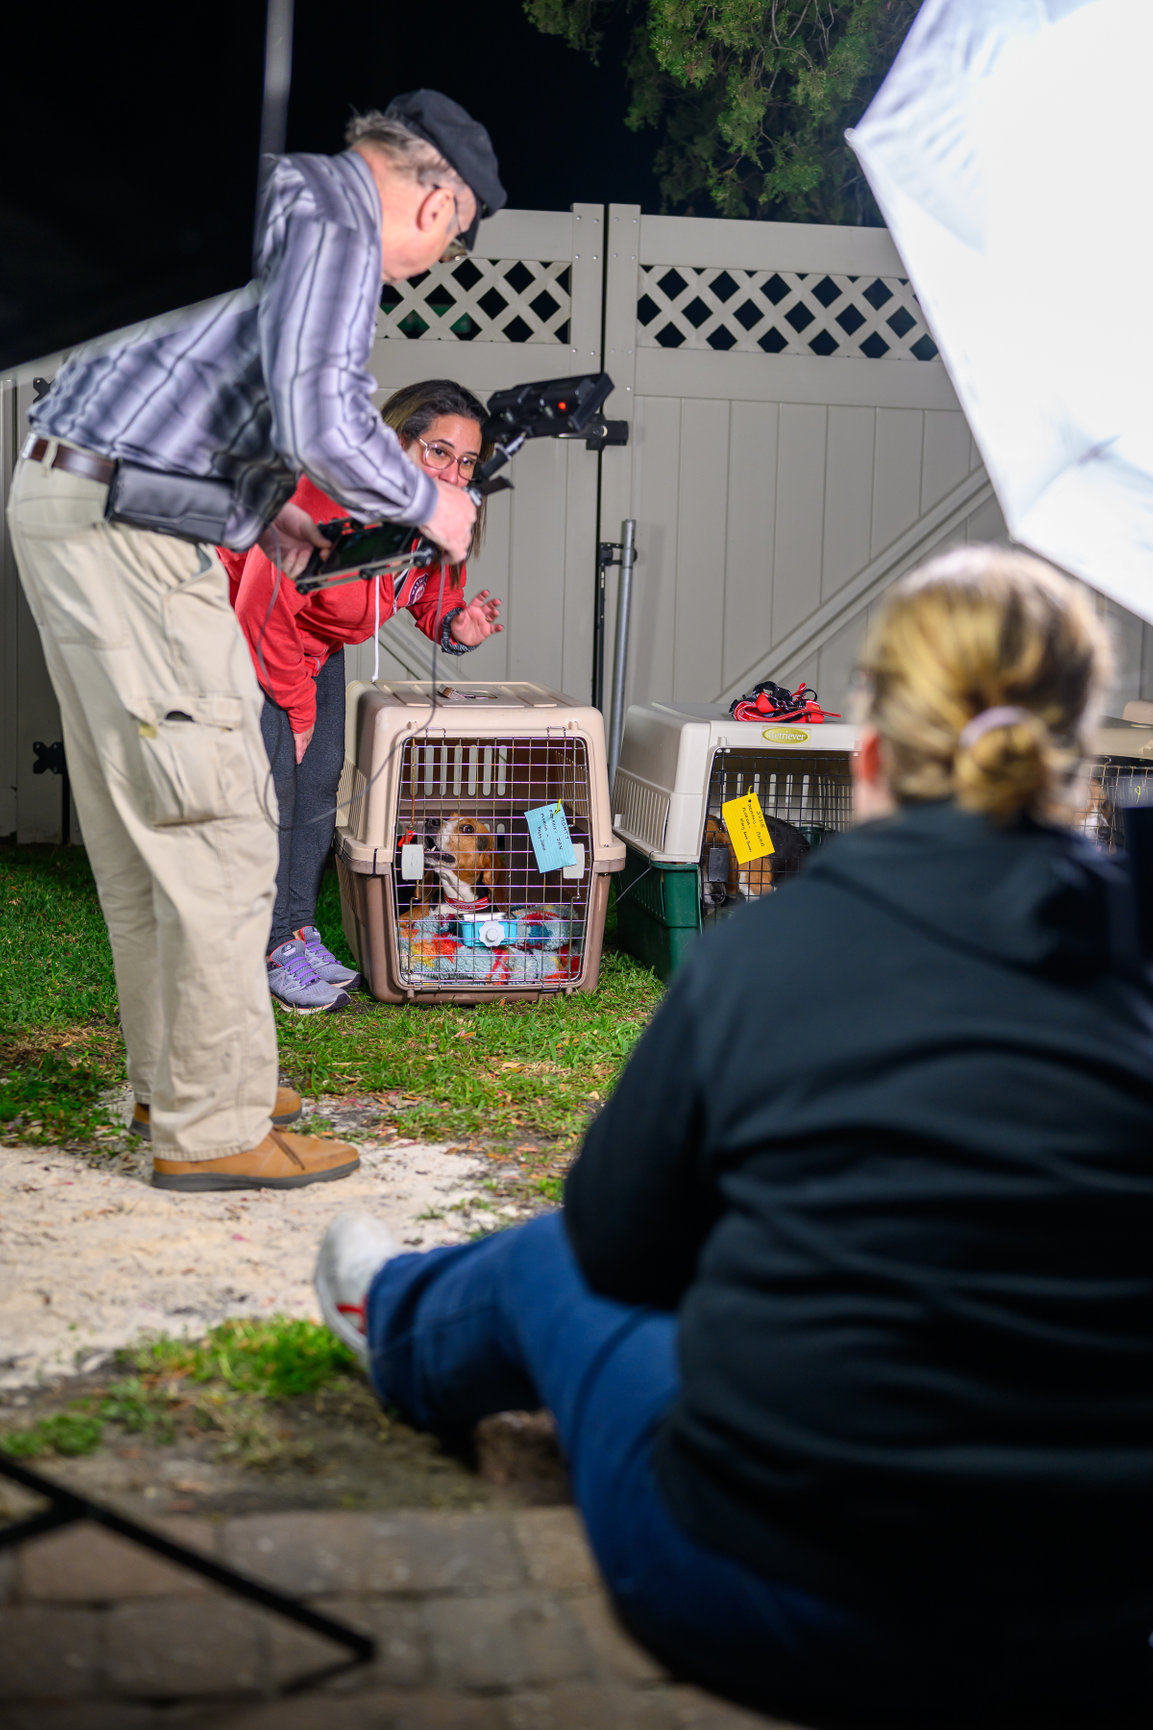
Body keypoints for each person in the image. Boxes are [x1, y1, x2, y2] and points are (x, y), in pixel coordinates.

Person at [314, 547, 1153, 1725]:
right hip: (1099, 1625)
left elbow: (621, 1251)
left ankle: (393, 1320)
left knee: (555, 1257)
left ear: (865, 758)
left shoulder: (767, 951)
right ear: (1075, 762)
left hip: (762, 1589)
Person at [6, 94, 505, 1192]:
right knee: (224, 823)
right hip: (124, 532)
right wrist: (432, 502)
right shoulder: (336, 221)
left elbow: (200, 392)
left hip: (86, 501)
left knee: (152, 832)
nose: (427, 262)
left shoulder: (266, 194)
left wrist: (271, 517)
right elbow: (324, 411)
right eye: (449, 238)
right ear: (435, 196)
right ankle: (214, 1122)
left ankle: (183, 1078)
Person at [228, 379, 503, 1013]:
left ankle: (296, 932)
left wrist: (455, 628)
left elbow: (431, 596)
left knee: (322, 774)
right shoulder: (328, 502)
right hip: (244, 625)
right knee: (278, 784)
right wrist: (297, 708)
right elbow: (260, 607)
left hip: (315, 638)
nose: (454, 471)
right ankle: (262, 946)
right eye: (438, 451)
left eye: (467, 460)